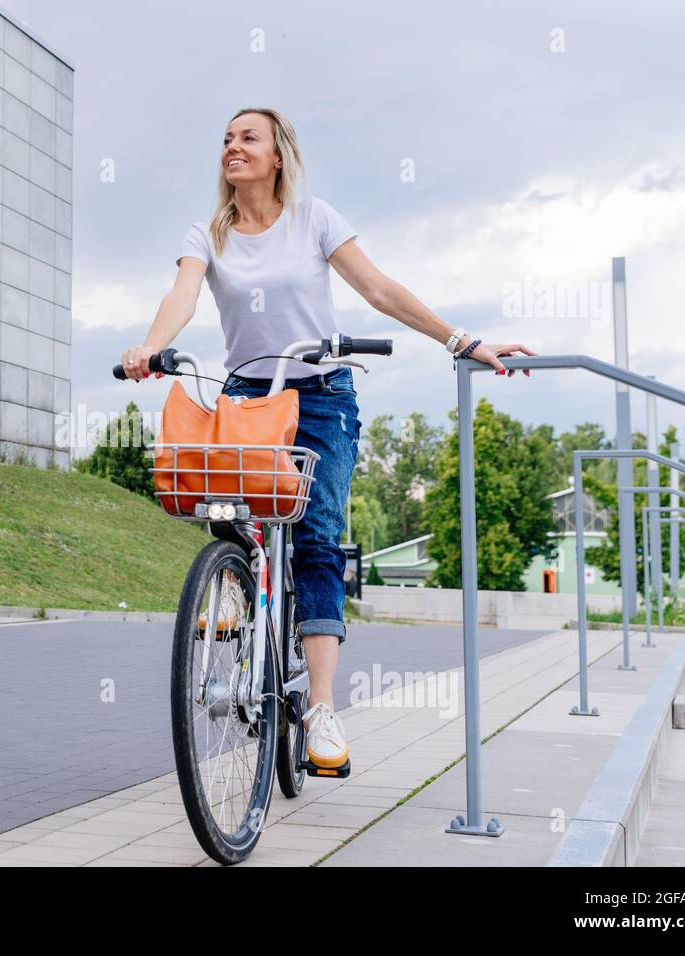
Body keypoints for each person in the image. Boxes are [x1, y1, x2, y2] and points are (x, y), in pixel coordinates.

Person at [120, 107, 534, 771]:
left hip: (320, 395)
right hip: (249, 394)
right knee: (226, 508)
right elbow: (183, 296)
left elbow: (376, 288)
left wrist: (459, 339)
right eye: (226, 139)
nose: (233, 147)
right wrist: (151, 345)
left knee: (315, 540)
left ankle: (319, 707)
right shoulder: (208, 234)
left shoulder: (314, 219)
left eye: (248, 138)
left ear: (278, 154)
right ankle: (235, 579)